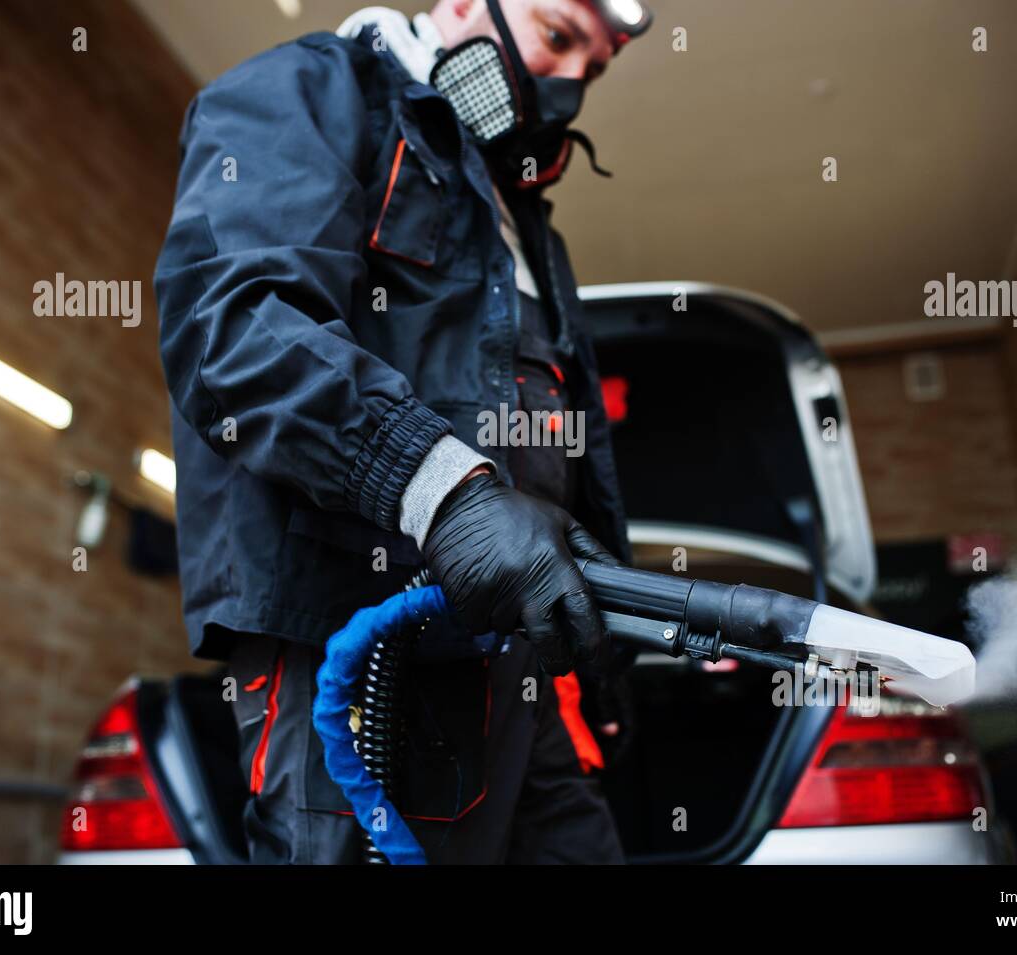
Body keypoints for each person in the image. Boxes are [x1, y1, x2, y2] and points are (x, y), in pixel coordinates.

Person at [153, 0, 652, 864]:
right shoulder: (312, 93)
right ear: (462, 5)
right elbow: (233, 323)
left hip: (514, 663)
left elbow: (568, 438)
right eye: (559, 36)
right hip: (352, 639)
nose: (570, 84)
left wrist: (612, 628)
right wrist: (447, 496)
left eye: (595, 69)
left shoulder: (530, 227)